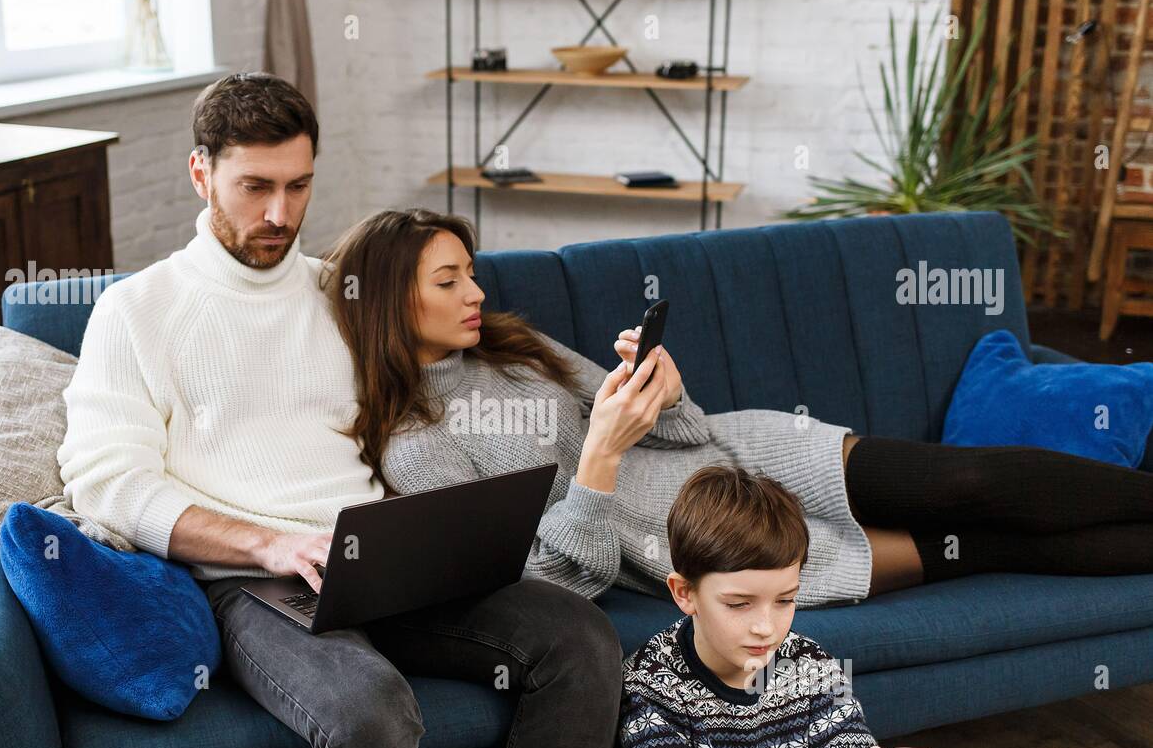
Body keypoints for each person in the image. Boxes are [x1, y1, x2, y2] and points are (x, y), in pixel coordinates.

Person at [57, 73, 623, 748]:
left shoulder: (341, 293)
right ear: (201, 173)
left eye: (299, 186)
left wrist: (603, 394)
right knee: (367, 707)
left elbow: (452, 365)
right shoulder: (136, 312)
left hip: (382, 554)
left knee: (579, 637)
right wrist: (269, 544)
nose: (280, 215)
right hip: (257, 583)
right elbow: (106, 483)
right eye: (255, 187)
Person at [325, 206, 1153, 608]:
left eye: (471, 270)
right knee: (988, 544)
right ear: (390, 303)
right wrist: (601, 459)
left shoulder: (515, 345)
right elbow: (548, 577)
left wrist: (666, 393)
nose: (475, 291)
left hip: (751, 449)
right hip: (707, 537)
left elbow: (684, 433)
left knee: (969, 481)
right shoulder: (415, 446)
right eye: (449, 281)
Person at [619, 465, 981, 748]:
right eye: (739, 604)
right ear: (684, 593)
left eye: (785, 600)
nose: (766, 628)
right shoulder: (651, 682)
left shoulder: (811, 666)